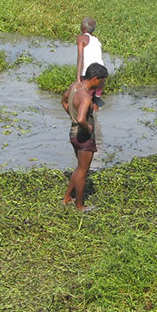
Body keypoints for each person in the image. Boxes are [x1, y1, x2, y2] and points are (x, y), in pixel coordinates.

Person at [61, 63, 108, 211]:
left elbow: (63, 101)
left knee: (79, 168)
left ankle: (67, 197)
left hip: (73, 133)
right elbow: (82, 119)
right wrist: (88, 128)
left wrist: (71, 115)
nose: (101, 84)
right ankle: (80, 206)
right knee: (83, 171)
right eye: (101, 81)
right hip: (83, 137)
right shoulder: (86, 97)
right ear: (95, 79)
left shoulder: (75, 86)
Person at [75, 17, 104, 108]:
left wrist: (78, 78)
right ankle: (96, 120)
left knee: (85, 102)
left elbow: (80, 57)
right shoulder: (96, 40)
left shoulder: (81, 38)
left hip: (90, 75)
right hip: (102, 74)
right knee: (95, 101)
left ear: (83, 28)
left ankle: (86, 121)